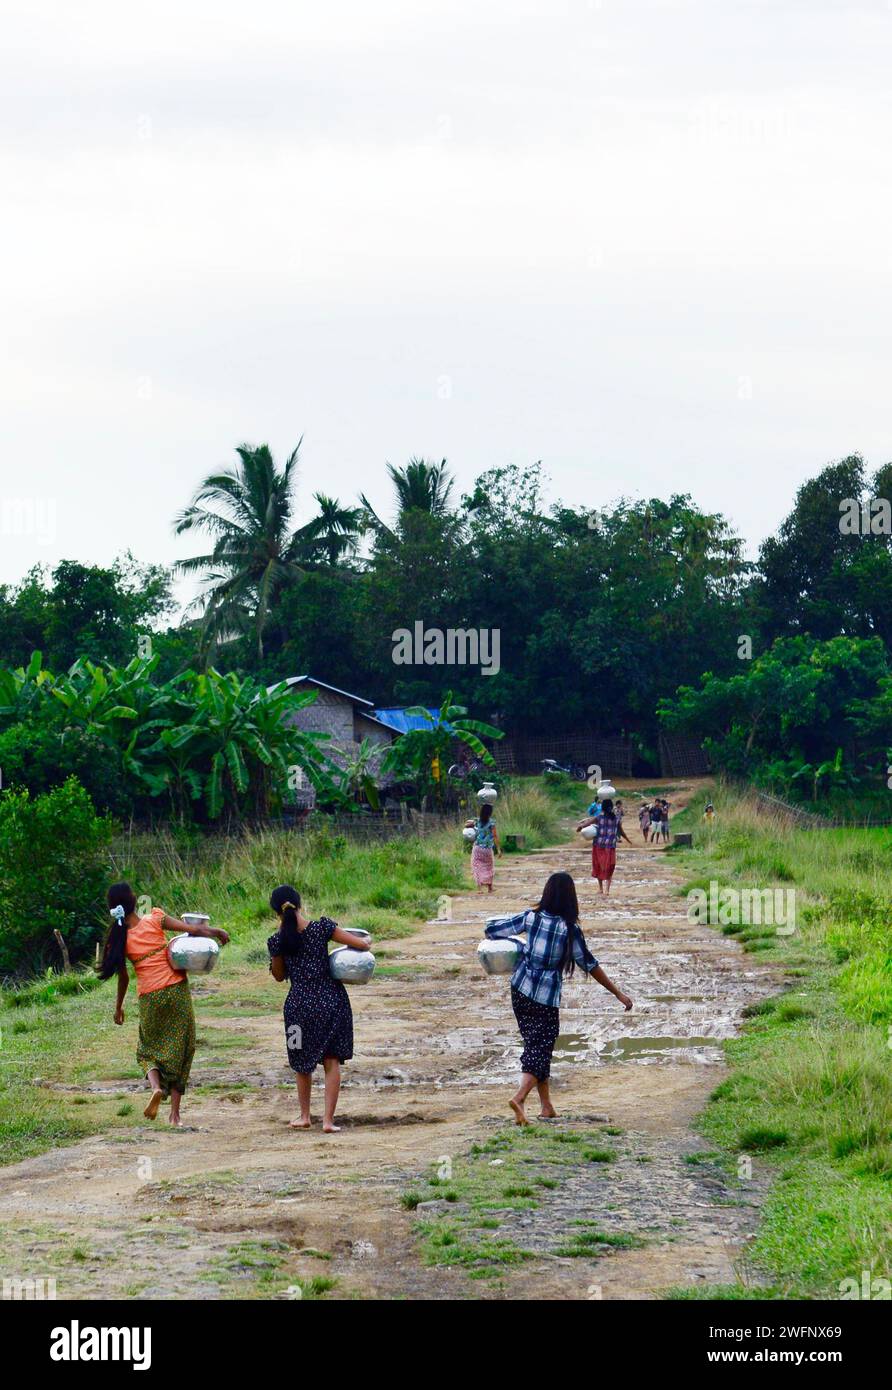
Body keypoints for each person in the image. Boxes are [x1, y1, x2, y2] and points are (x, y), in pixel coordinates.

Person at [485, 872, 633, 1125]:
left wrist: (518, 947)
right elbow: (589, 964)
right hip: (545, 997)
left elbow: (492, 930)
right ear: (570, 899)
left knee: (536, 1046)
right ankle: (519, 1098)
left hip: (519, 990)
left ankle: (546, 1106)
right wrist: (617, 992)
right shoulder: (570, 929)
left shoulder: (530, 917)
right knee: (540, 1048)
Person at [99, 883, 229, 1126]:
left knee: (148, 1049)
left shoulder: (119, 938)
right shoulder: (155, 918)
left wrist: (119, 1007)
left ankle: (157, 1087)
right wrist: (216, 931)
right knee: (182, 1048)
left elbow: (124, 977)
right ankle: (175, 1116)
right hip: (175, 990)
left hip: (150, 997)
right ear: (134, 900)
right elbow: (191, 929)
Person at [267, 884, 371, 1132]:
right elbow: (361, 945)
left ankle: (304, 1116)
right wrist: (367, 940)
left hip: (296, 1007)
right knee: (331, 1060)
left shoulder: (276, 941)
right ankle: (327, 1121)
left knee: (300, 1062)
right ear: (300, 904)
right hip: (330, 1002)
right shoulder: (322, 928)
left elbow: (279, 977)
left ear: (275, 913)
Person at [576, 797, 632, 894]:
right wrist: (627, 839)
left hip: (598, 846)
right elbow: (621, 831)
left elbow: (587, 823)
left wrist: (580, 827)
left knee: (598, 866)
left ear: (602, 807)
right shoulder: (616, 819)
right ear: (611, 807)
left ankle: (601, 888)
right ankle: (607, 890)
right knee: (610, 866)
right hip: (610, 847)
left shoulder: (599, 818)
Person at [465, 801, 501, 892]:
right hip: (487, 849)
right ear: (490, 812)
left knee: (476, 866)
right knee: (489, 867)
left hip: (477, 848)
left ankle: (479, 888)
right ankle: (490, 888)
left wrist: (471, 824)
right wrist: (499, 849)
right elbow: (495, 836)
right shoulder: (492, 822)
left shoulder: (476, 821)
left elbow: (466, 824)